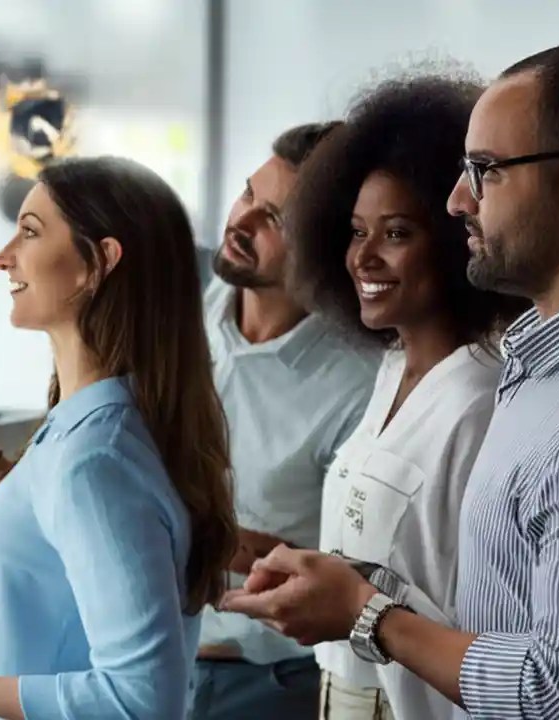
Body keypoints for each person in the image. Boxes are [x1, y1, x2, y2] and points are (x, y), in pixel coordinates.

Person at [221, 42, 559, 719]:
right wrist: (350, 585)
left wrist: (369, 614)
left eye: (485, 171)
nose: (457, 200)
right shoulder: (539, 366)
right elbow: (490, 601)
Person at [0, 156, 240, 719]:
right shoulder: (106, 420)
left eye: (29, 232)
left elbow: (141, 701)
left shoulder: (97, 458)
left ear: (98, 262)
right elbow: (47, 536)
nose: (4, 257)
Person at [284, 72, 528, 719]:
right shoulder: (393, 367)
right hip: (339, 692)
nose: (363, 257)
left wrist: (358, 606)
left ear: (451, 244)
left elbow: (482, 615)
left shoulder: (479, 399)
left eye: (395, 234)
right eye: (356, 231)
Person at [192, 123, 381, 720]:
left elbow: (352, 579)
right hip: (140, 654)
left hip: (262, 688)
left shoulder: (361, 386)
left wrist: (197, 536)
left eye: (274, 219)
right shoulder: (187, 309)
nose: (241, 221)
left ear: (327, 250)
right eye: (248, 193)